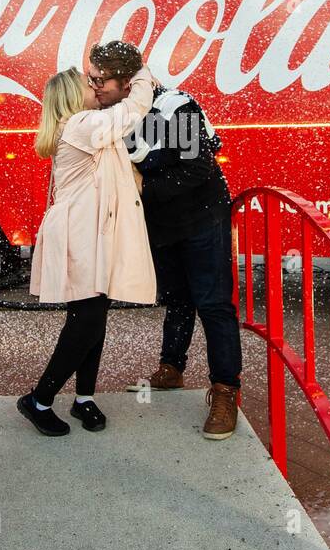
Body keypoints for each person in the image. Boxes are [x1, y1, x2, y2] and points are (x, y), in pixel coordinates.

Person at [86, 41, 242, 441]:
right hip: (161, 222)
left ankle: (225, 391)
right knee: (176, 297)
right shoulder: (114, 113)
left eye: (100, 80)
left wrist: (138, 190)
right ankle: (171, 368)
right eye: (93, 78)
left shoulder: (177, 106)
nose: (95, 86)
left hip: (201, 217)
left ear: (127, 81)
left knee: (213, 304)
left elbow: (195, 169)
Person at [20, 59, 159, 436]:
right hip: (79, 235)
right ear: (71, 97)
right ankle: (40, 399)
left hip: (86, 233)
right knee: (88, 319)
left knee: (93, 316)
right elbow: (132, 110)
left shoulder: (84, 128)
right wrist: (141, 73)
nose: (96, 88)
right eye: (88, 85)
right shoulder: (81, 125)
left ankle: (84, 398)